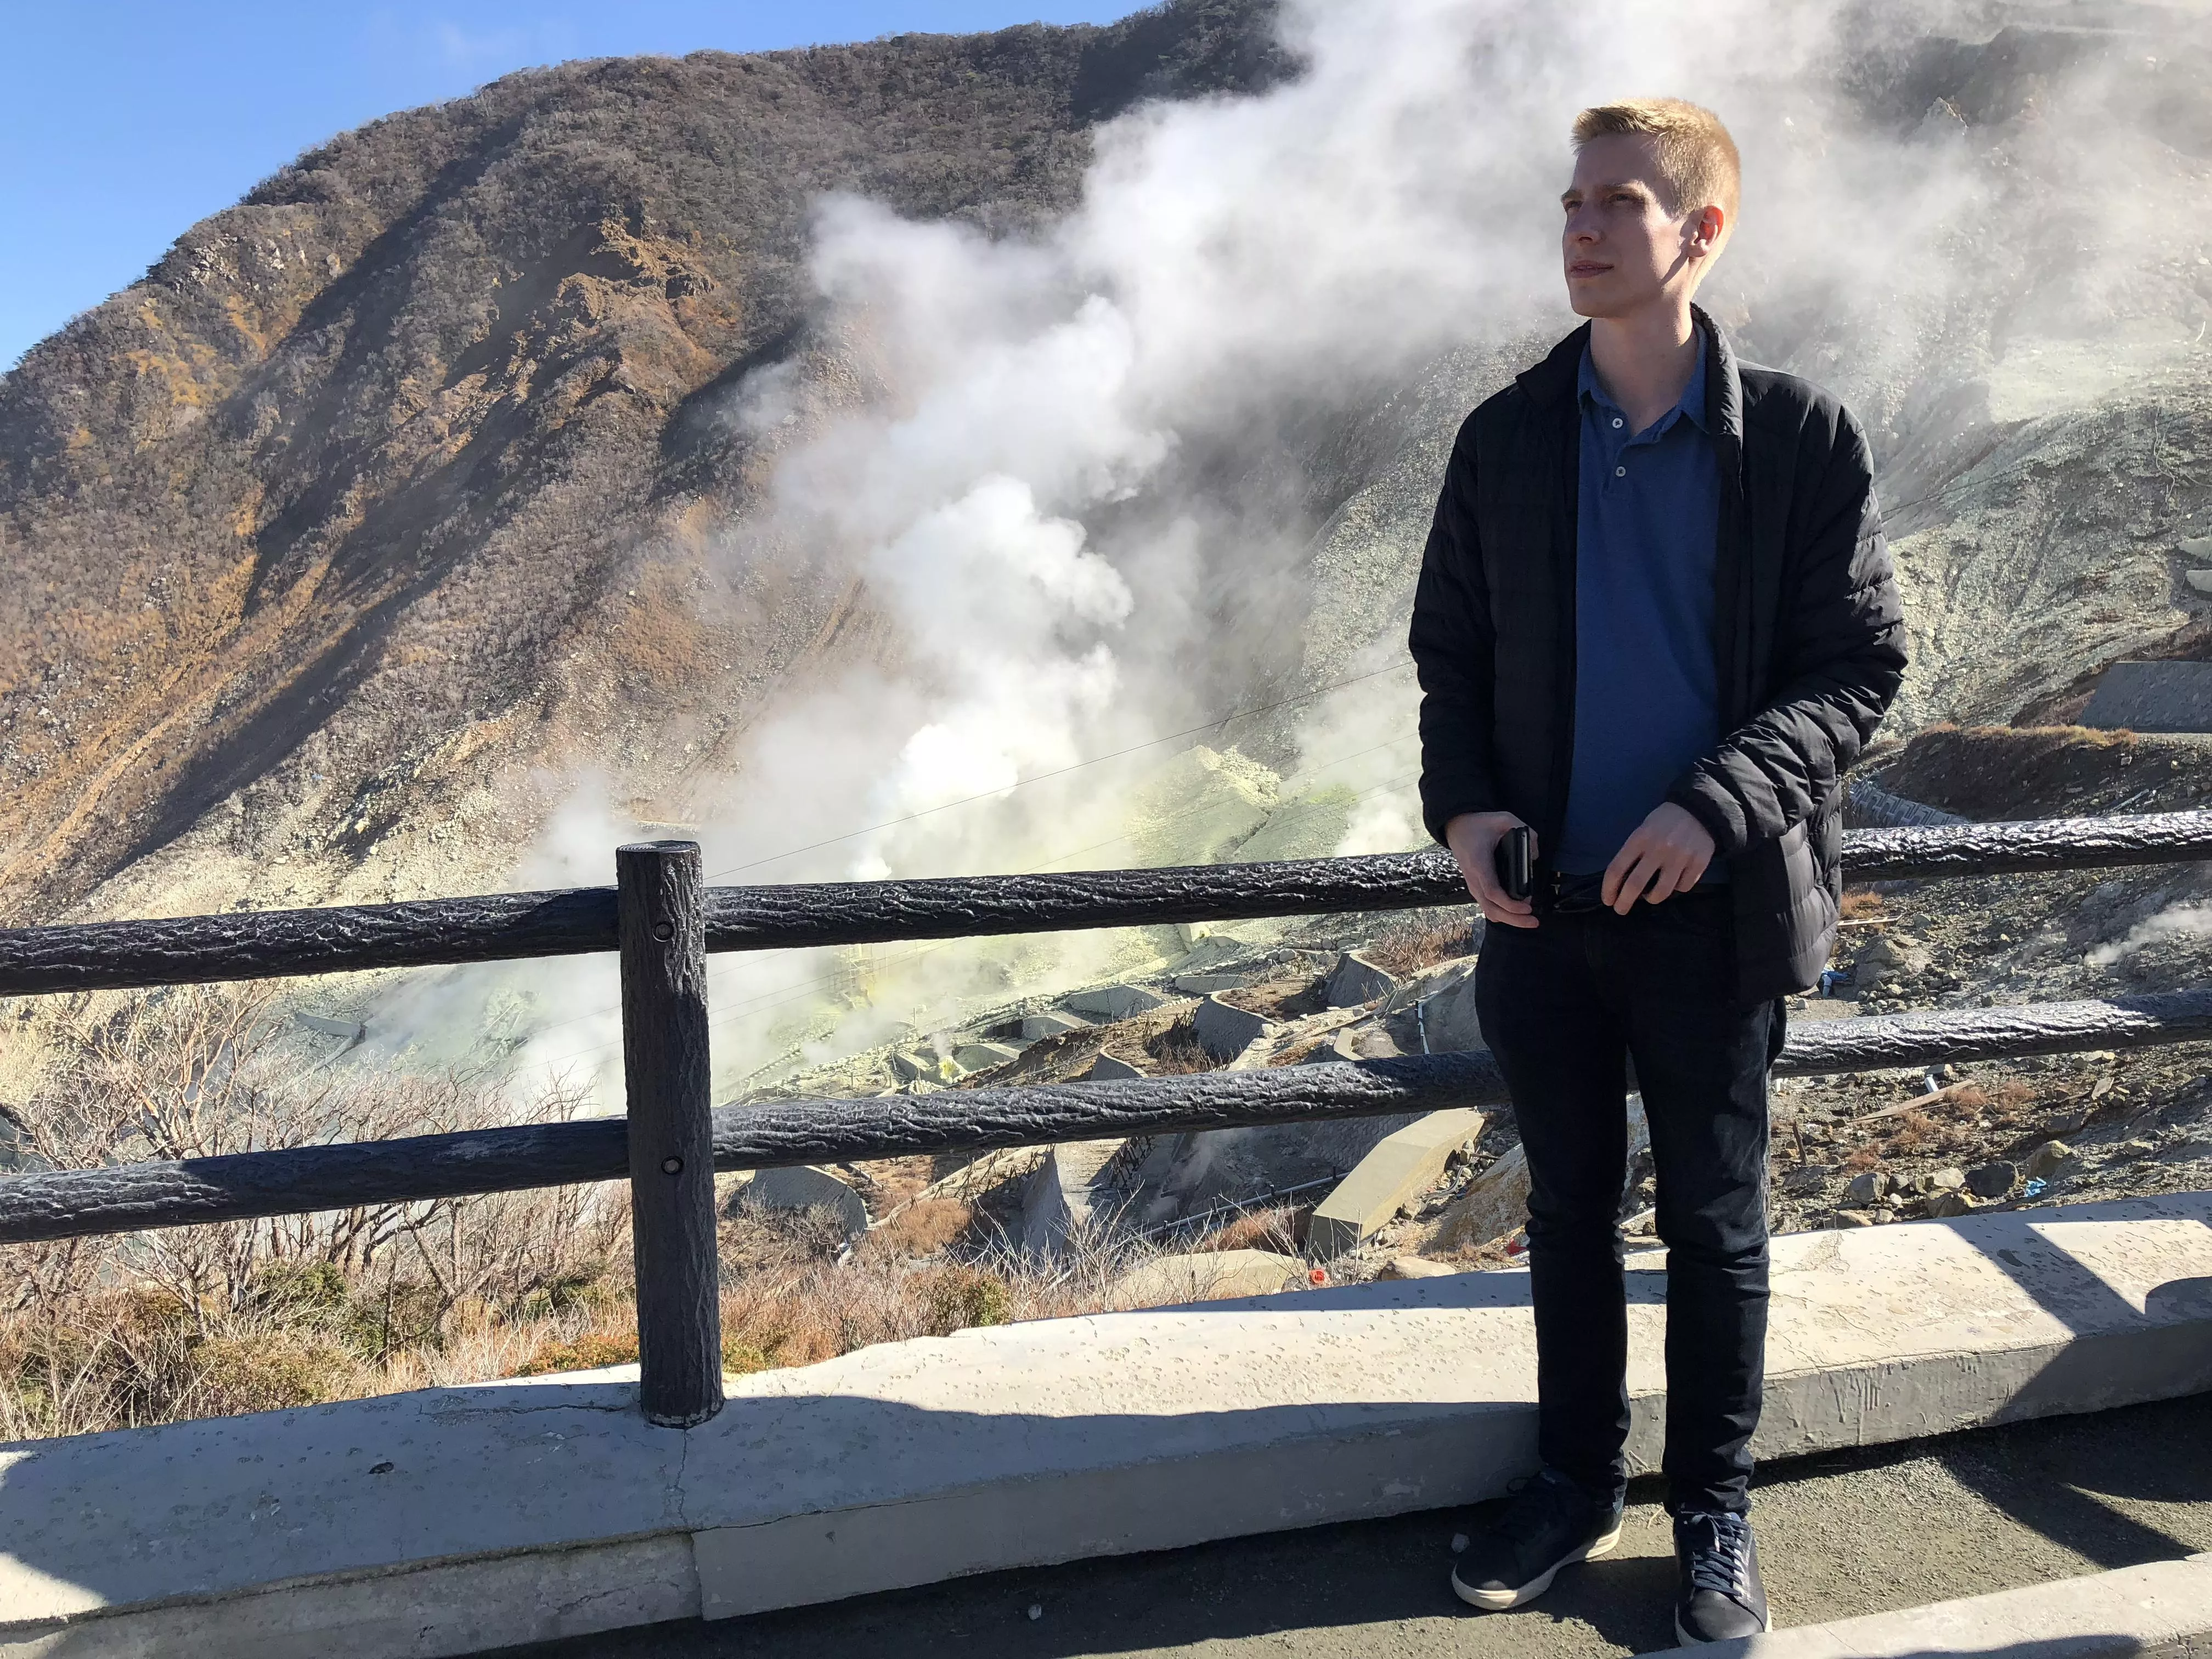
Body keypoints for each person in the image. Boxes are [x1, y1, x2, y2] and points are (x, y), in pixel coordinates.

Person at [1408, 98, 1906, 1643]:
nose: (1579, 223)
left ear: (1700, 232)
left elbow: (1855, 667)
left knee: (1713, 1216)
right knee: (1566, 1207)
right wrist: (1467, 811)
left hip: (1717, 911)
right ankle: (1575, 1480)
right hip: (1545, 910)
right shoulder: (1503, 440)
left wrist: (1715, 807)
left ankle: (1714, 1509)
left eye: (1618, 201)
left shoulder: (1803, 438)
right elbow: (1453, 662)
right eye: (1571, 197)